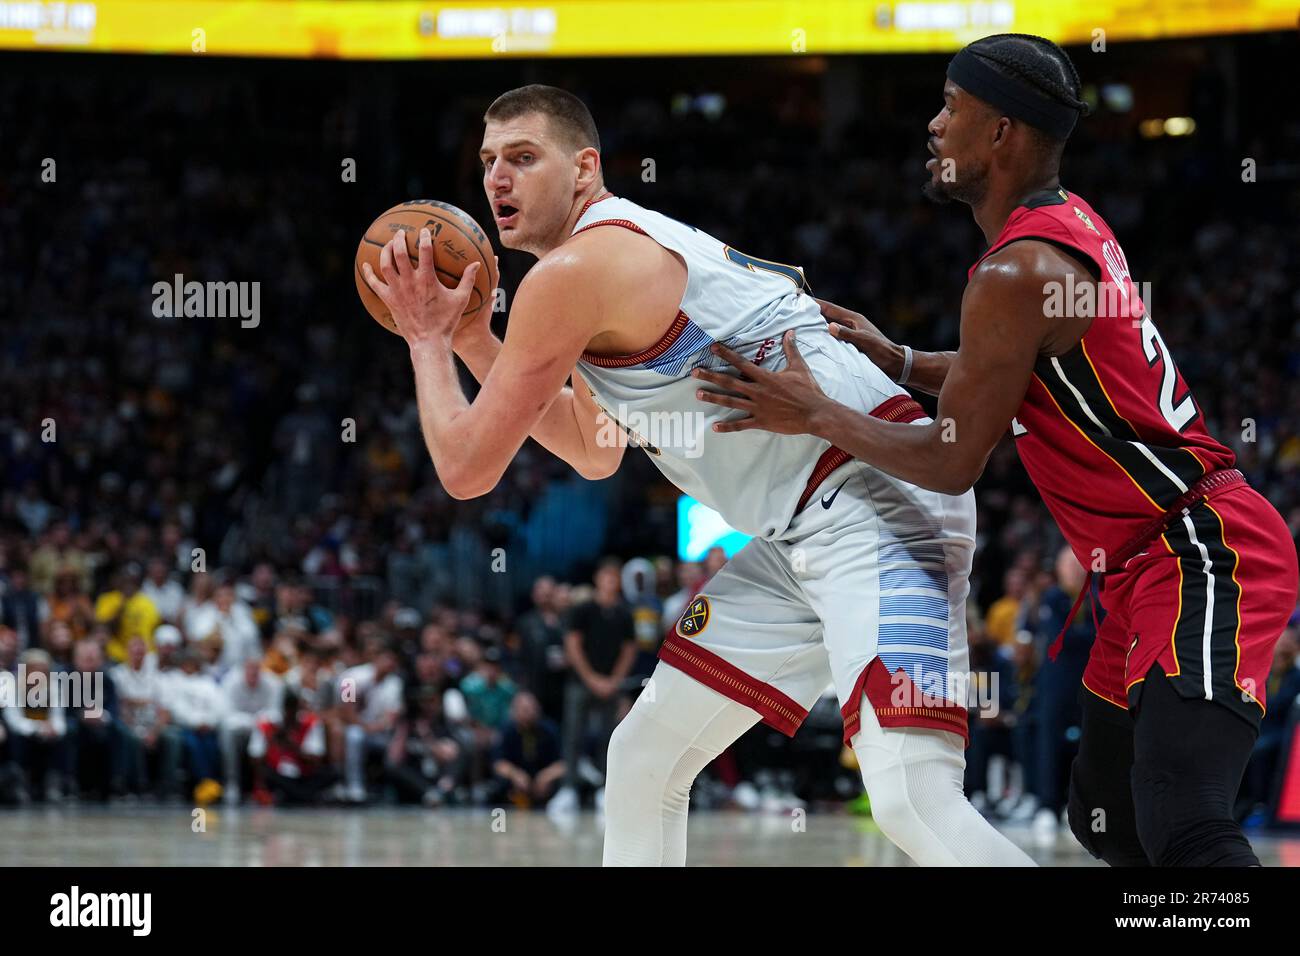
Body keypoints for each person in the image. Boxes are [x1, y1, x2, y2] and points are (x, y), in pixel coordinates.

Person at [362, 84, 1032, 866]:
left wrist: (427, 339)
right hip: (805, 531)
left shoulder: (578, 268)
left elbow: (467, 468)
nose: (497, 181)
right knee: (644, 757)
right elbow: (592, 447)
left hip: (876, 501)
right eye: (486, 163)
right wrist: (479, 337)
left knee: (912, 798)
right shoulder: (592, 267)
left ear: (584, 169)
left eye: (521, 158)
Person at [694, 34, 1299, 866]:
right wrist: (899, 360)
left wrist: (818, 412)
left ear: (1002, 132)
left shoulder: (1016, 272)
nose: (934, 128)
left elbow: (952, 458)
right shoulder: (1062, 227)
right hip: (1140, 563)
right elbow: (1006, 373)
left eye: (951, 107)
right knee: (1105, 817)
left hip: (1202, 548)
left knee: (1183, 819)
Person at [550, 559, 635, 813]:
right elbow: (572, 645)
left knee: (610, 738)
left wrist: (614, 680)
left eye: (615, 577)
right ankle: (569, 788)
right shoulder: (582, 610)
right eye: (607, 576)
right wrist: (591, 678)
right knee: (573, 734)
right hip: (581, 682)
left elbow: (629, 649)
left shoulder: (624, 613)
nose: (611, 582)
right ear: (598, 579)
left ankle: (604, 788)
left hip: (611, 684)